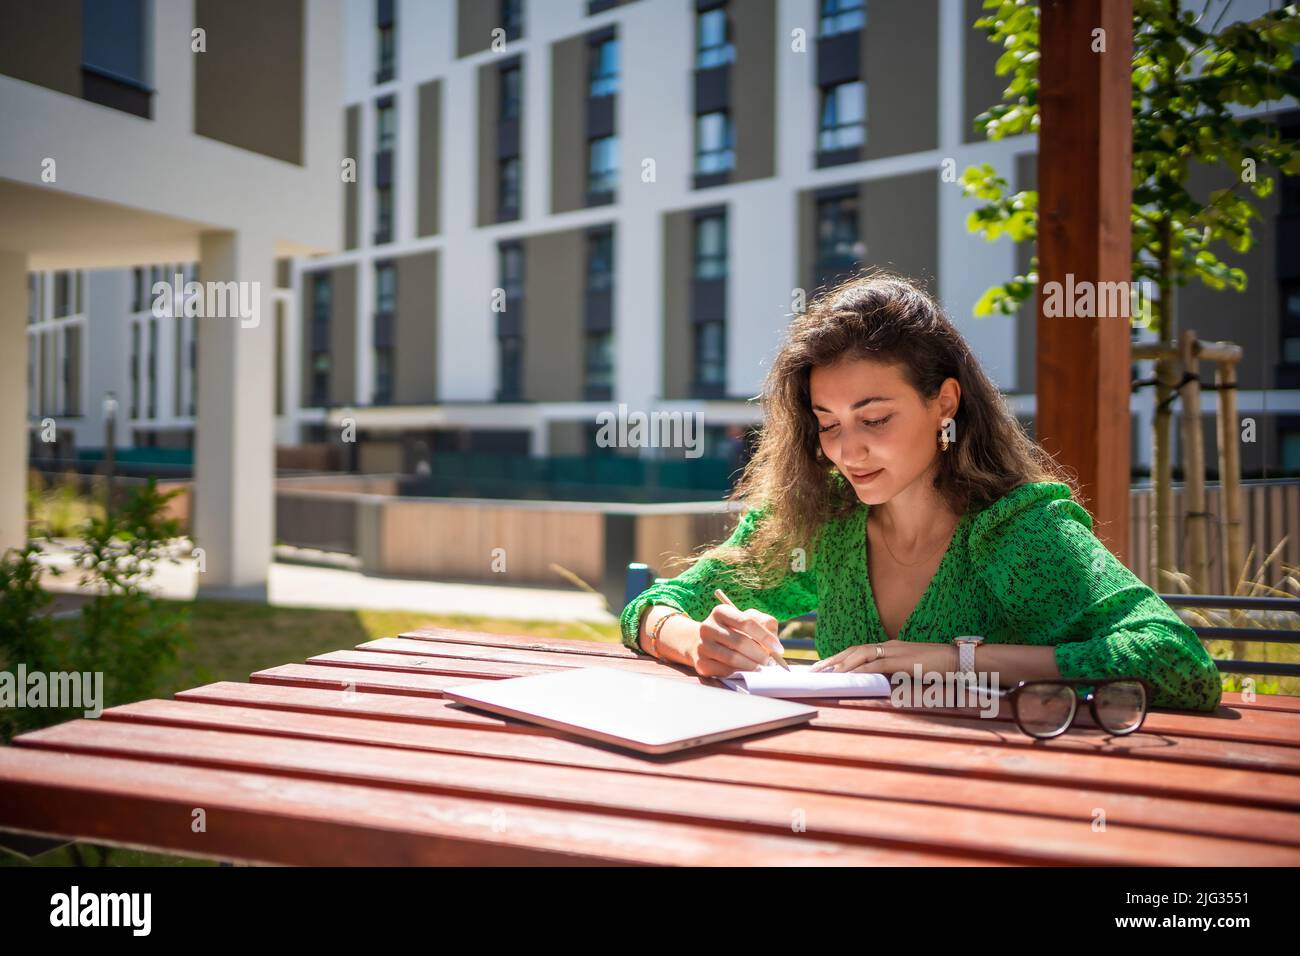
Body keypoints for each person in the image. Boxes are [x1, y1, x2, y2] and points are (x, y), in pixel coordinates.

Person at [621, 272, 1222, 713]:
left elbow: (1178, 664)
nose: (846, 451)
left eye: (874, 418)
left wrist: (961, 661)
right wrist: (696, 642)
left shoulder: (1016, 531)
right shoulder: (822, 519)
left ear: (945, 405)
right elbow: (652, 607)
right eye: (827, 423)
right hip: (847, 802)